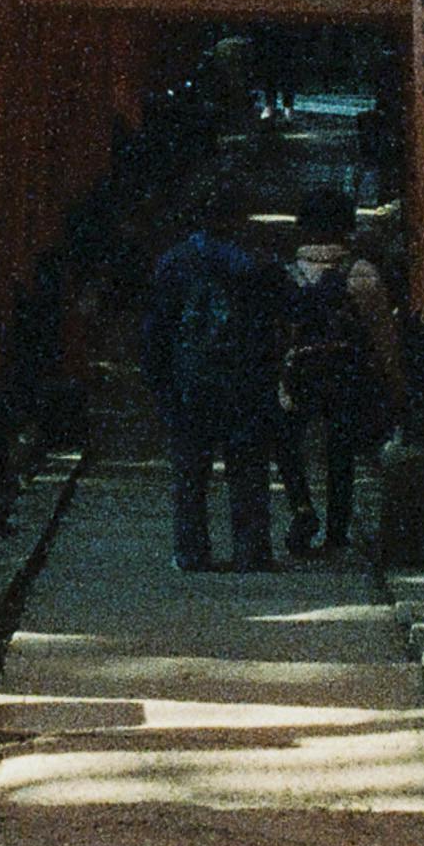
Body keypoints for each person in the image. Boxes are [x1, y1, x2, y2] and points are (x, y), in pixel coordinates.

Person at [141, 173, 290, 571]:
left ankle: (191, 552)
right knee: (247, 470)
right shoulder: (258, 262)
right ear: (240, 215)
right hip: (246, 381)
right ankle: (251, 549)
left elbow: (157, 329)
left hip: (190, 380)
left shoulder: (174, 262)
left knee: (190, 471)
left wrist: (159, 382)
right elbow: (285, 311)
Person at [277, 189, 402, 556]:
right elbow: (383, 336)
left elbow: (277, 334)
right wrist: (394, 383)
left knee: (288, 445)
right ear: (346, 227)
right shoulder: (362, 274)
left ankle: (301, 505)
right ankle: (336, 533)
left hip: (300, 374)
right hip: (348, 375)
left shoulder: (288, 275)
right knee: (341, 453)